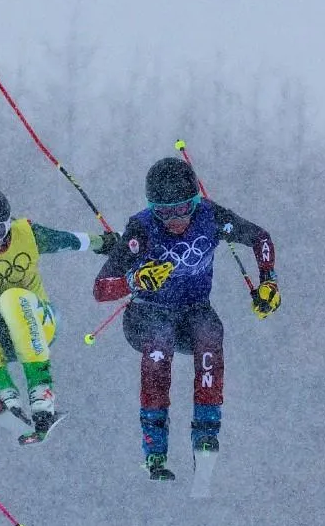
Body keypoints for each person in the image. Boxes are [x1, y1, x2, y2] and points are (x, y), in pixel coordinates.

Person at [93, 157, 281, 480]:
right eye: (165, 212)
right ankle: (154, 445)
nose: (176, 220)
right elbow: (100, 288)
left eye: (183, 209)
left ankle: (206, 431)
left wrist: (268, 281)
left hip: (193, 309)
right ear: (153, 209)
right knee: (161, 339)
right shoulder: (141, 228)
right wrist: (135, 280)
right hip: (145, 313)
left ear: (195, 202)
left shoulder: (210, 216)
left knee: (210, 333)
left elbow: (260, 238)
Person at [0, 185, 119, 444]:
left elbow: (69, 240)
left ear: (8, 224)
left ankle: (41, 394)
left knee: (11, 298)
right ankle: (5, 394)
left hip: (38, 323)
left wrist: (107, 243)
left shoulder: (27, 234)